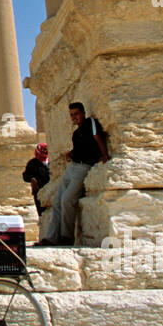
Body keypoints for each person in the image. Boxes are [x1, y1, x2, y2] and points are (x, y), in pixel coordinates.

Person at [37, 102, 108, 246]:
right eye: (71, 115)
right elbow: (82, 148)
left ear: (83, 113)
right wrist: (71, 154)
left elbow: (97, 137)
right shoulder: (76, 133)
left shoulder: (90, 123)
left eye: (76, 114)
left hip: (83, 168)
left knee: (67, 200)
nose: (74, 117)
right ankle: (51, 238)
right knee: (57, 202)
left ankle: (66, 237)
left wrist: (105, 154)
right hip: (72, 168)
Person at [22, 143, 50, 222]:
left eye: (46, 149)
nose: (45, 151)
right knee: (43, 214)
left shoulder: (51, 161)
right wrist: (31, 179)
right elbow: (25, 176)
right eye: (43, 149)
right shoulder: (32, 163)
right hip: (39, 193)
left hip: (51, 191)